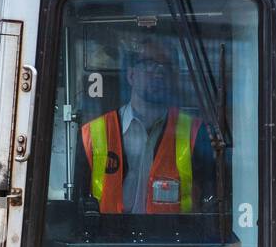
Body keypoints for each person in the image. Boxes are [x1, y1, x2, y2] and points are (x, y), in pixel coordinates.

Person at [78, 35, 218, 215]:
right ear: (131, 74)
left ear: (174, 76)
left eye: (166, 66)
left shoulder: (196, 133)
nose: (158, 72)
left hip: (175, 239)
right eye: (149, 64)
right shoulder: (92, 134)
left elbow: (211, 202)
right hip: (108, 239)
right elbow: (78, 206)